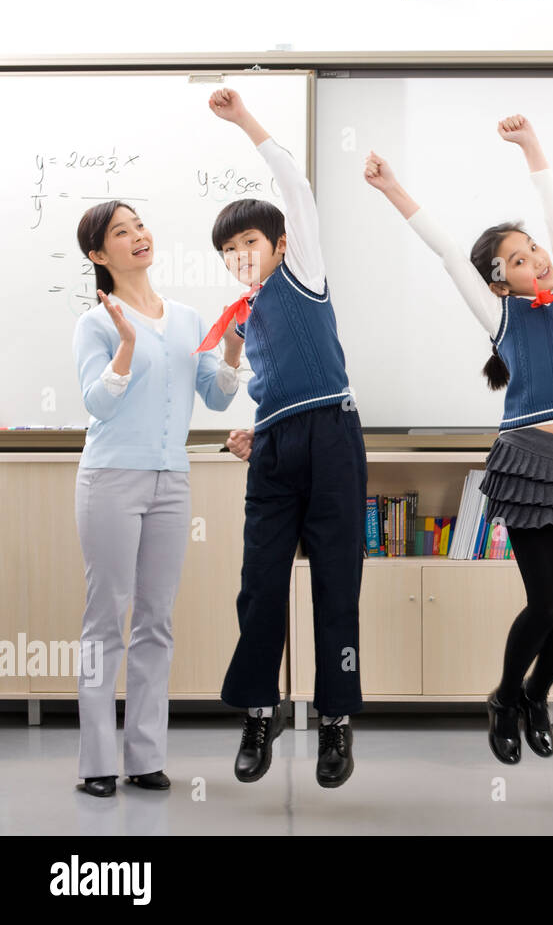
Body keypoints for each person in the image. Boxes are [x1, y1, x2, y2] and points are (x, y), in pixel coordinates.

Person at [364, 114, 553, 765]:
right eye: (512, 258)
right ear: (498, 282)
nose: (531, 256)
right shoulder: (500, 312)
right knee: (547, 604)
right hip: (529, 462)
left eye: (529, 247)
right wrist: (394, 189)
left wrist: (533, 146)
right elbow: (450, 252)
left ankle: (535, 692)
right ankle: (505, 697)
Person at [204, 88, 366, 788]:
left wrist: (244, 119)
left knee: (336, 584)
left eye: (249, 243)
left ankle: (335, 723)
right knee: (259, 586)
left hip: (332, 437)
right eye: (229, 250)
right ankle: (259, 711)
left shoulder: (304, 275)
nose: (241, 255)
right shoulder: (239, 315)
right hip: (271, 450)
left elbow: (294, 185)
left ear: (279, 245)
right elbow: (234, 385)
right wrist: (252, 423)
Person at [72, 200, 242, 796]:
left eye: (140, 224)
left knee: (155, 622)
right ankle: (97, 762)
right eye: (121, 232)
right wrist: (124, 342)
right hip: (111, 479)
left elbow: (218, 399)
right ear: (99, 255)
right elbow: (98, 403)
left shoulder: (189, 318)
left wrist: (233, 344)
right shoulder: (96, 322)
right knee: (104, 622)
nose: (139, 236)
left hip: (171, 480)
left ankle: (145, 756)